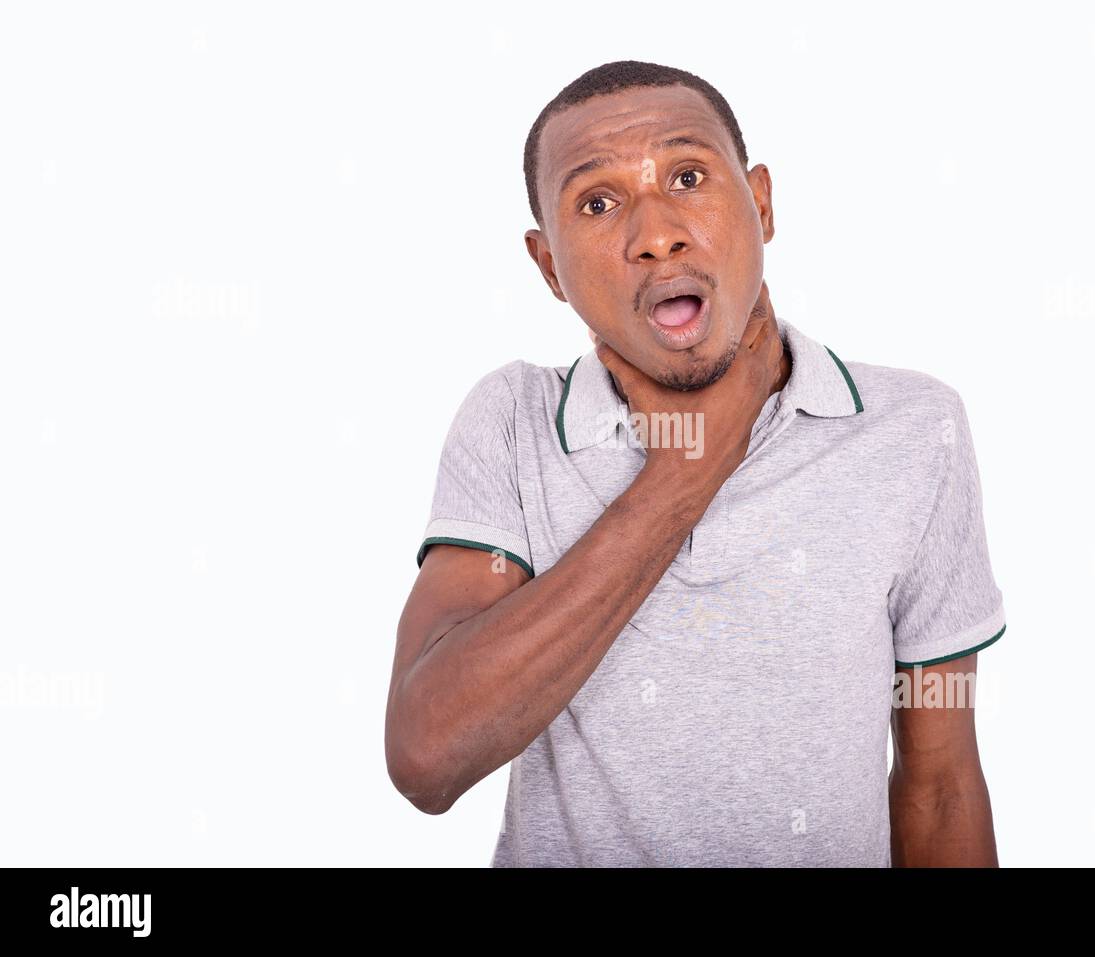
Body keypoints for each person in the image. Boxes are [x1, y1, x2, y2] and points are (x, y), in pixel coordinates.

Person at [385, 60, 1007, 867]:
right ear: (548, 268)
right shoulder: (514, 421)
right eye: (598, 202)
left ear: (762, 203)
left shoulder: (915, 431)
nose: (656, 234)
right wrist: (687, 474)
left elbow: (941, 783)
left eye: (687, 176)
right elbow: (427, 756)